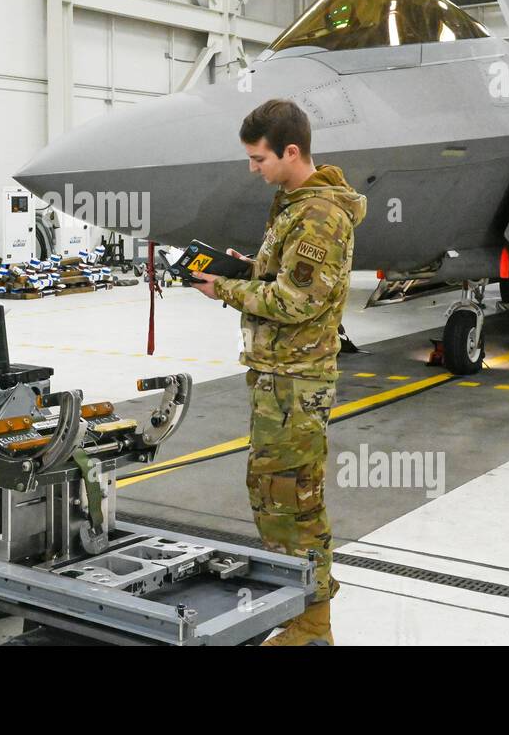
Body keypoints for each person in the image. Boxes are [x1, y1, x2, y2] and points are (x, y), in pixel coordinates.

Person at [190, 98, 366, 646]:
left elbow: (296, 301)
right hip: (278, 378)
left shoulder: (320, 215)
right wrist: (245, 270)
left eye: (259, 158)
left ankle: (312, 623)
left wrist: (226, 289)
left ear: (292, 152)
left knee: (293, 499)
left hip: (295, 382)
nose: (253, 168)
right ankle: (303, 617)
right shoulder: (295, 205)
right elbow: (287, 279)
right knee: (274, 494)